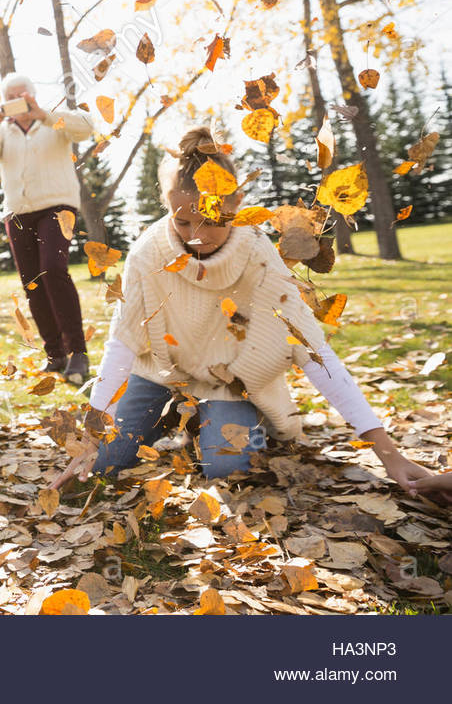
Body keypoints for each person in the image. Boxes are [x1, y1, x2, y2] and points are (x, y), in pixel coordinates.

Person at [52, 126, 432, 492]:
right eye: (182, 221)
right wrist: (92, 432)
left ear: (238, 206)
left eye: (210, 220)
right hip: (159, 374)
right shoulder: (149, 252)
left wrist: (388, 454)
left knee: (227, 469)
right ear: (167, 206)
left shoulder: (258, 255)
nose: (195, 235)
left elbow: (315, 353)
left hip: (227, 382)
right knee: (102, 462)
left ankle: (211, 419)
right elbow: (122, 344)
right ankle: (175, 412)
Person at [0, 74, 95, 383]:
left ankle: (77, 353)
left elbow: (87, 127)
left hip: (57, 206)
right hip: (18, 213)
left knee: (53, 270)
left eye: (23, 92)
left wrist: (44, 114)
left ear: (34, 93)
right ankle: (55, 354)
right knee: (32, 283)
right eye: (11, 95)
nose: (18, 98)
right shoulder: (4, 133)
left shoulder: (54, 121)